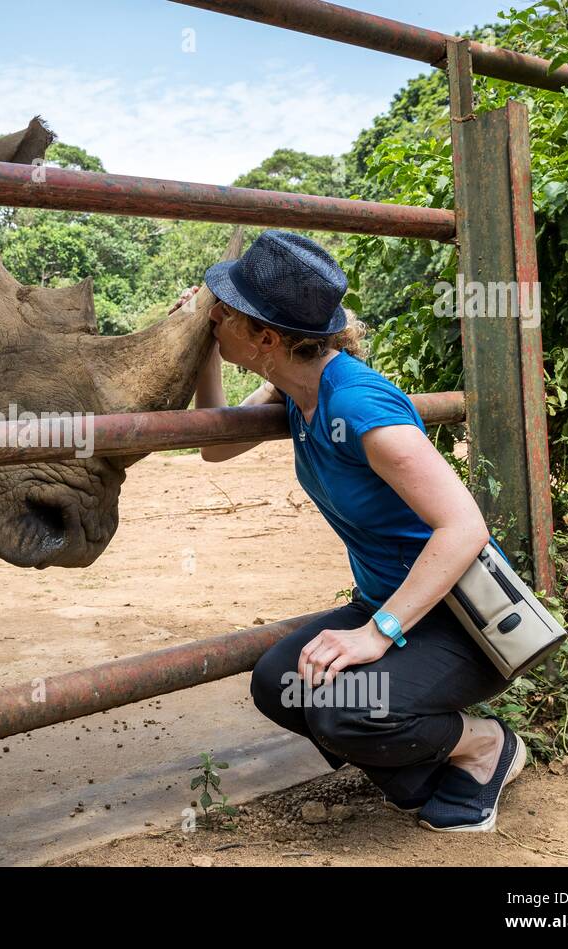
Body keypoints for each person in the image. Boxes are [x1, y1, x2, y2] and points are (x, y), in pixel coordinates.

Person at [178, 229, 524, 832]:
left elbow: (464, 527)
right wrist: (204, 344)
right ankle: (426, 775)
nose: (214, 313)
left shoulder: (358, 408)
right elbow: (215, 446)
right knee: (279, 683)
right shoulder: (295, 387)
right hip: (393, 602)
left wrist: (375, 634)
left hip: (461, 618)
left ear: (267, 338)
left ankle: (484, 745)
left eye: (224, 310)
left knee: (346, 711)